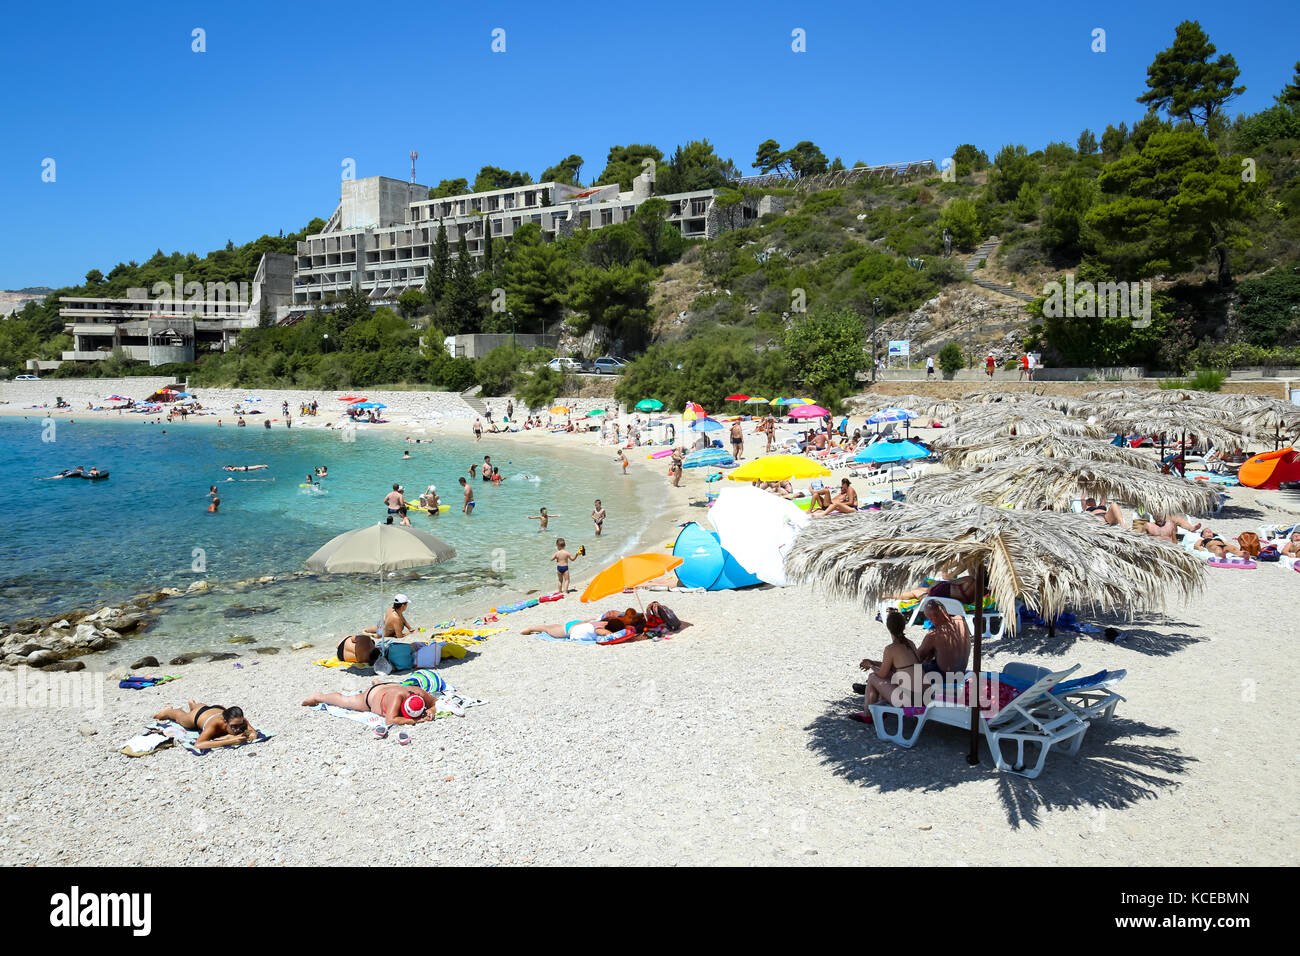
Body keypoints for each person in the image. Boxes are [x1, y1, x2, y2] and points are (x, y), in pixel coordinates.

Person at [848, 610, 923, 723]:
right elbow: (896, 665)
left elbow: (882, 673)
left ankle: (867, 715)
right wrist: (872, 662)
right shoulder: (910, 643)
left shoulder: (891, 648)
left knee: (873, 677)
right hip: (921, 698)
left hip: (908, 703)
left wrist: (870, 665)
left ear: (888, 627)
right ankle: (880, 712)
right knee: (889, 676)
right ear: (903, 626)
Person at [302, 683, 436, 725]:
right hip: (371, 696)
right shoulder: (398, 697)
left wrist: (432, 710)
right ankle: (319, 696)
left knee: (390, 687)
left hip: (391, 685)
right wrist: (415, 721)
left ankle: (377, 681)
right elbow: (390, 720)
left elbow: (435, 702)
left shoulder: (420, 694)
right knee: (345, 701)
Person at [152, 701, 256, 750]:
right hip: (197, 716)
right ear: (225, 722)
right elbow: (198, 744)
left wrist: (243, 734)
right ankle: (169, 710)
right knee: (178, 717)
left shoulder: (240, 720)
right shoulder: (214, 724)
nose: (238, 729)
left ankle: (193, 704)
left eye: (240, 725)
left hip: (217, 708)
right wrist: (231, 740)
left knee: (201, 706)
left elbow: (253, 734)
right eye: (234, 727)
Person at [915, 601, 971, 676]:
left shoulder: (934, 634)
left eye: (929, 618)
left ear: (931, 618)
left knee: (911, 667)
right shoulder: (961, 620)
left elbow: (917, 657)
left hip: (945, 676)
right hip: (961, 671)